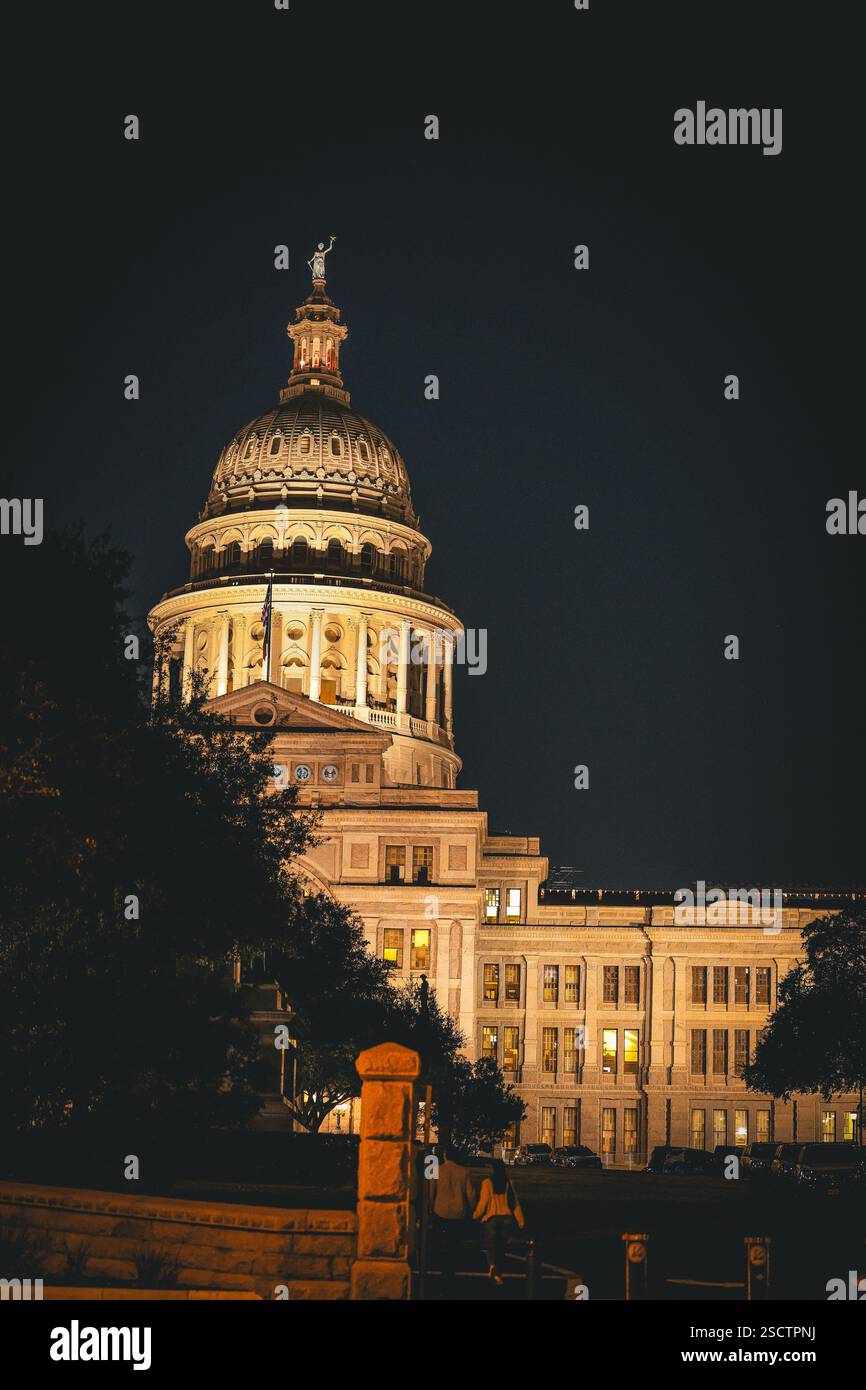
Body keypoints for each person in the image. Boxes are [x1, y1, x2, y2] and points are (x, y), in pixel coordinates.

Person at [473, 1159, 525, 1284]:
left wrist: (475, 1215)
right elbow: (514, 1202)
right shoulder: (508, 1183)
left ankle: (492, 1266)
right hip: (507, 1218)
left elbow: (483, 1203)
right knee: (501, 1247)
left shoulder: (487, 1183)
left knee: (490, 1246)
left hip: (492, 1218)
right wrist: (521, 1220)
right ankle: (498, 1271)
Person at [431, 1144, 477, 1281]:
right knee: (455, 1243)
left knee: (441, 1242)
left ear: (445, 1156)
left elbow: (431, 1191)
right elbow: (471, 1194)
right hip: (458, 1211)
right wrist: (472, 1208)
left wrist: (430, 1206)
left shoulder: (436, 1170)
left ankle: (443, 1267)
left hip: (441, 1210)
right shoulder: (463, 1171)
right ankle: (452, 1267)